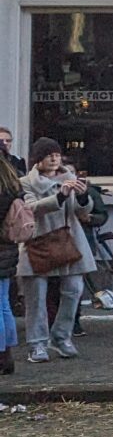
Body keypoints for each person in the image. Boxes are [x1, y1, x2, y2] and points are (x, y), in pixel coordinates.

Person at [16, 139, 98, 363]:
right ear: (37, 159)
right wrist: (59, 196)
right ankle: (37, 343)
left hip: (68, 241)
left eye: (57, 155)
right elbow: (30, 208)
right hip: (38, 243)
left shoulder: (70, 178)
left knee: (74, 290)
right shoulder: (25, 182)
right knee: (36, 297)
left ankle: (62, 337)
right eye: (48, 155)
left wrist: (82, 196)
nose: (54, 159)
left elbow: (82, 211)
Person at [0, 152, 19, 375]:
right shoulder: (11, 183)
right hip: (9, 249)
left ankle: (2, 354)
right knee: (4, 304)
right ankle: (7, 354)